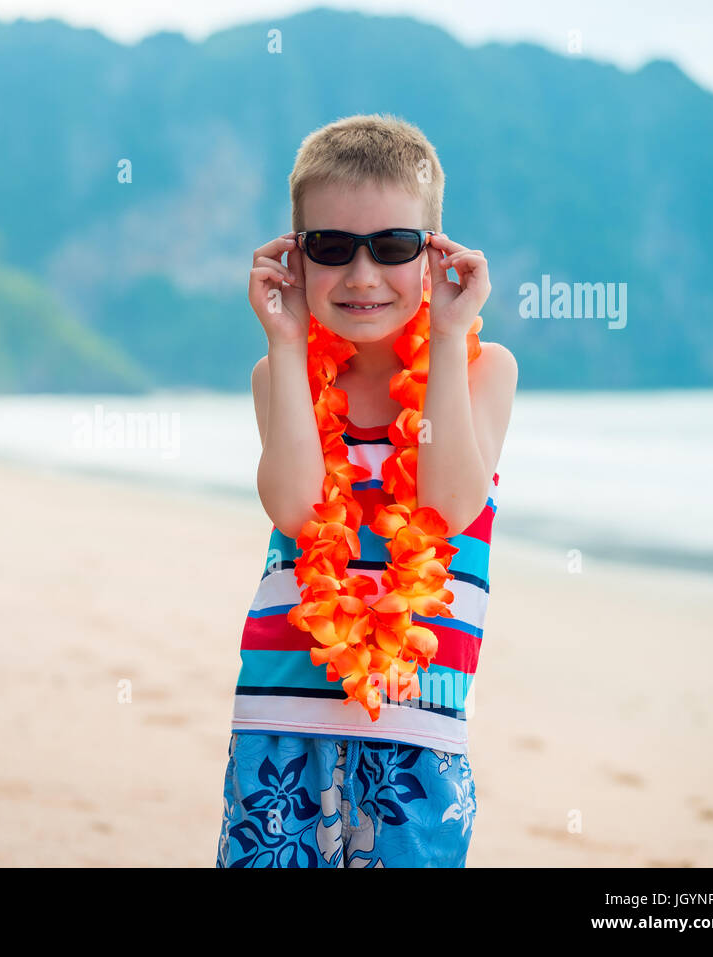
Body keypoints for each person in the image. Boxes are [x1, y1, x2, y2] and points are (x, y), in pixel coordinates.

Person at [217, 113, 518, 867]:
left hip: (422, 716)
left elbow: (449, 506)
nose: (360, 276)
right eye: (330, 247)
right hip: (281, 708)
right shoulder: (276, 377)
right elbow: (295, 507)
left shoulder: (484, 372)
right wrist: (285, 343)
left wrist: (448, 338)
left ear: (433, 255)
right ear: (295, 256)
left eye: (391, 247)